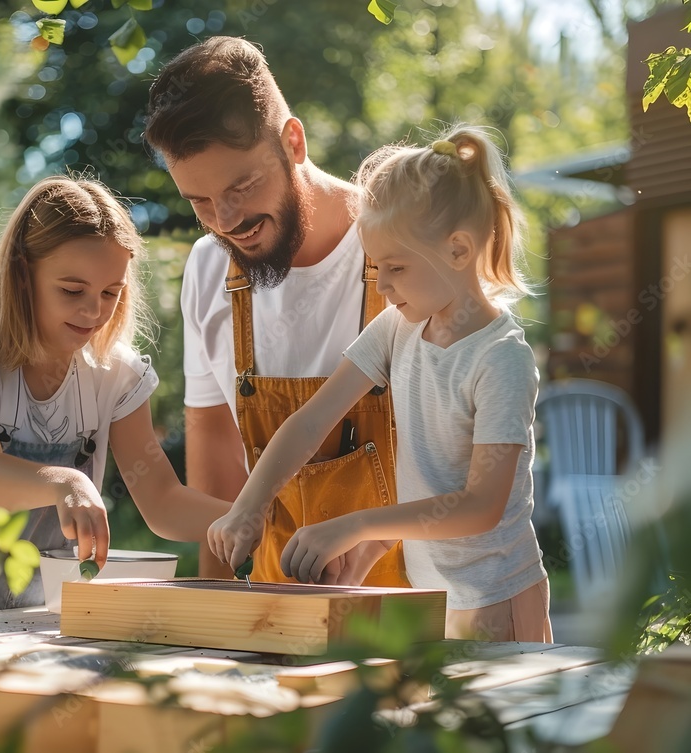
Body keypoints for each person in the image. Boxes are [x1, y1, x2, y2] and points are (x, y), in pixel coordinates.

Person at [209, 125, 553, 642]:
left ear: (458, 251)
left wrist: (359, 525)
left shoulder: (500, 358)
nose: (384, 284)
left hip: (498, 599)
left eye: (396, 266)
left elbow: (480, 507)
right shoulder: (398, 328)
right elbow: (310, 423)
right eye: (376, 265)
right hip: (433, 596)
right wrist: (250, 505)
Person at [0, 176, 229, 618]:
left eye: (111, 292)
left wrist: (255, 517)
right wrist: (69, 482)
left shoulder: (118, 375)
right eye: (72, 290)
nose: (94, 311)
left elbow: (162, 500)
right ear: (22, 274)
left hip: (30, 619)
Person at [143, 36, 407, 586]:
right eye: (199, 201)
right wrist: (215, 615)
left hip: (421, 610)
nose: (226, 220)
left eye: (242, 185)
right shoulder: (209, 270)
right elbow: (217, 473)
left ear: (293, 142)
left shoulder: (407, 246)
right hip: (272, 613)